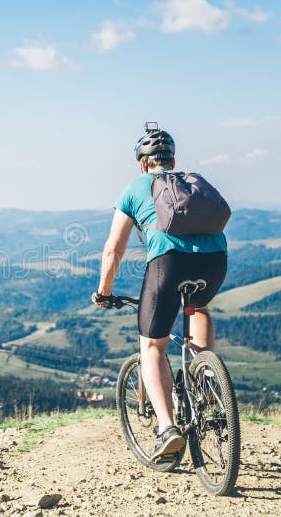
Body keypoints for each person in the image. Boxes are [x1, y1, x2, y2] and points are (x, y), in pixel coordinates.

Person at [93, 125, 227, 461]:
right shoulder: (193, 183)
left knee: (152, 346)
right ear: (173, 159)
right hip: (214, 264)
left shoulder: (135, 187)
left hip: (169, 266)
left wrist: (104, 291)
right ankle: (207, 378)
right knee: (200, 309)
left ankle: (167, 429)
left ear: (143, 164)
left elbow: (113, 250)